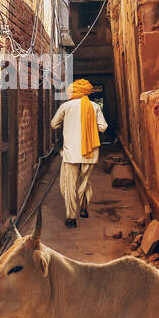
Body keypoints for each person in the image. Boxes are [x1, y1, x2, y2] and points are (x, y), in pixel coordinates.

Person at [50, 78, 108, 228]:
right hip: (90, 153)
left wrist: (67, 123)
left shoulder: (66, 106)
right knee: (84, 182)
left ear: (75, 91)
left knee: (69, 185)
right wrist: (89, 127)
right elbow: (103, 127)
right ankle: (83, 207)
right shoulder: (94, 106)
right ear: (86, 91)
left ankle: (71, 217)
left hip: (71, 153)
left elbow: (54, 124)